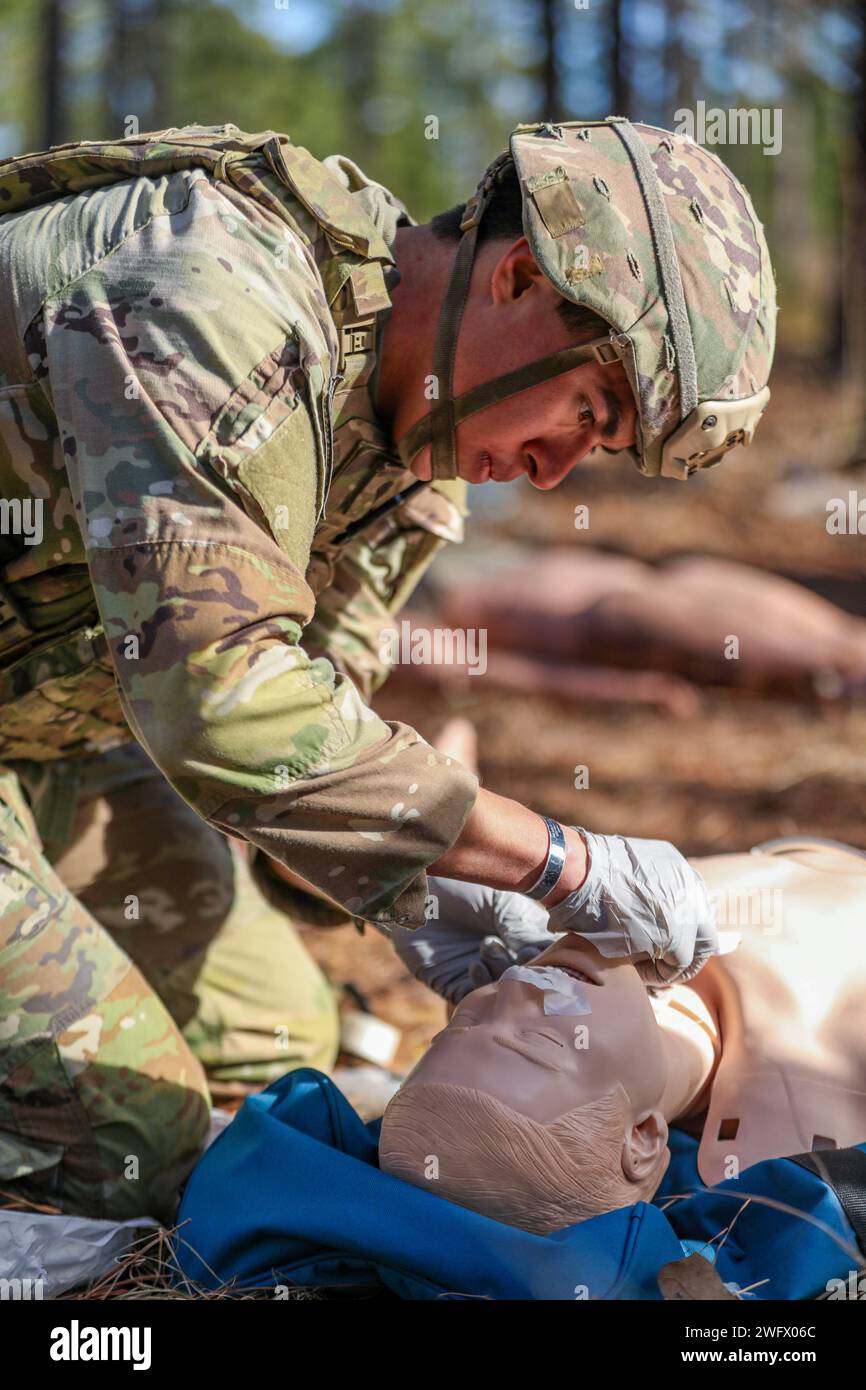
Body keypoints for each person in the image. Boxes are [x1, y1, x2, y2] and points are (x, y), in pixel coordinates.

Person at [0, 117, 774, 1220]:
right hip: (91, 721)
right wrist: (553, 860)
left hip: (48, 730)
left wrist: (422, 884)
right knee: (120, 1140)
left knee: (271, 1043)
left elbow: (302, 742)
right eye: (585, 412)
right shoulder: (216, 299)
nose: (552, 474)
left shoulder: (414, 467)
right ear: (515, 275)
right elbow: (220, 706)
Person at [379, 841, 866, 1234]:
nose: (511, 986)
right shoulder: (820, 1077)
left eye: (463, 1023)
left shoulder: (606, 911)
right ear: (643, 1138)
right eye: (540, 1042)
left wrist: (424, 860)